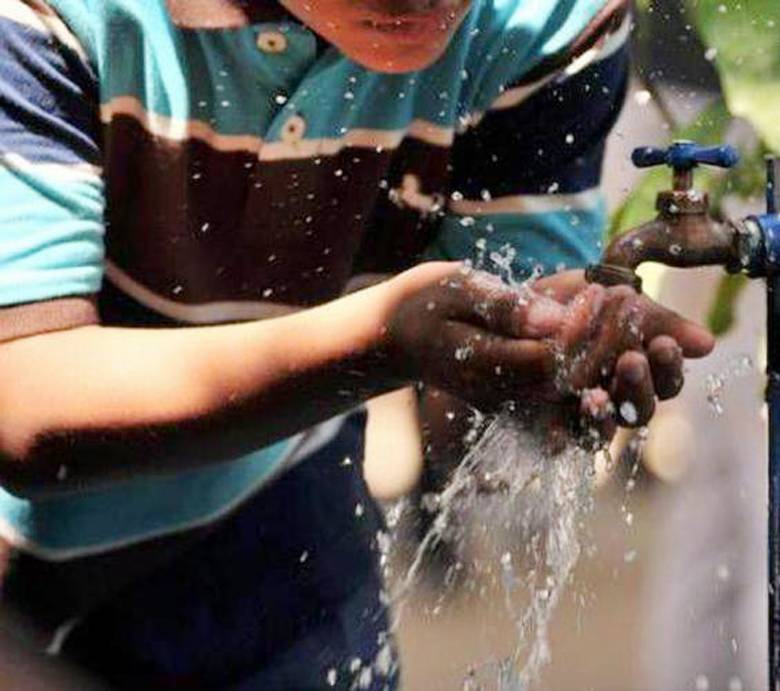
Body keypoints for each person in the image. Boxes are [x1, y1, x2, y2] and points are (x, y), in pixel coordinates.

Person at [0, 0, 714, 688]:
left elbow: (471, 418)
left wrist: (549, 357)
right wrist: (380, 342)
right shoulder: (56, 15)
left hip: (275, 525)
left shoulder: (539, 18)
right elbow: (22, 394)